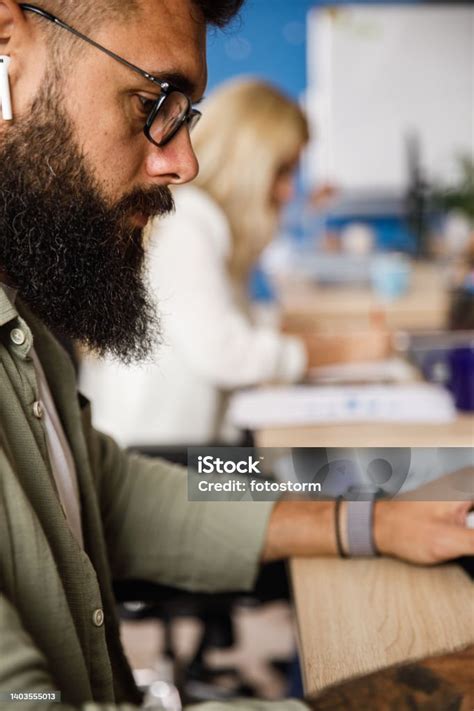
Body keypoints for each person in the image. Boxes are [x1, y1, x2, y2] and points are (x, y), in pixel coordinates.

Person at [0, 2, 473, 710]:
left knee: (354, 473)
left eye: (183, 116)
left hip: (174, 455)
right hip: (182, 449)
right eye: (151, 101)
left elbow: (111, 491)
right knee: (324, 467)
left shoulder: (26, 306)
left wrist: (363, 521)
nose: (184, 159)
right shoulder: (194, 230)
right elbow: (232, 352)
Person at [81, 79, 390, 446]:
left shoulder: (202, 218)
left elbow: (223, 319)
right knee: (306, 483)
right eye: (283, 171)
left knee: (305, 479)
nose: (289, 190)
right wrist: (346, 352)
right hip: (157, 453)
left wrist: (318, 337)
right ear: (249, 162)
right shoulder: (189, 221)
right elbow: (226, 353)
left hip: (177, 444)